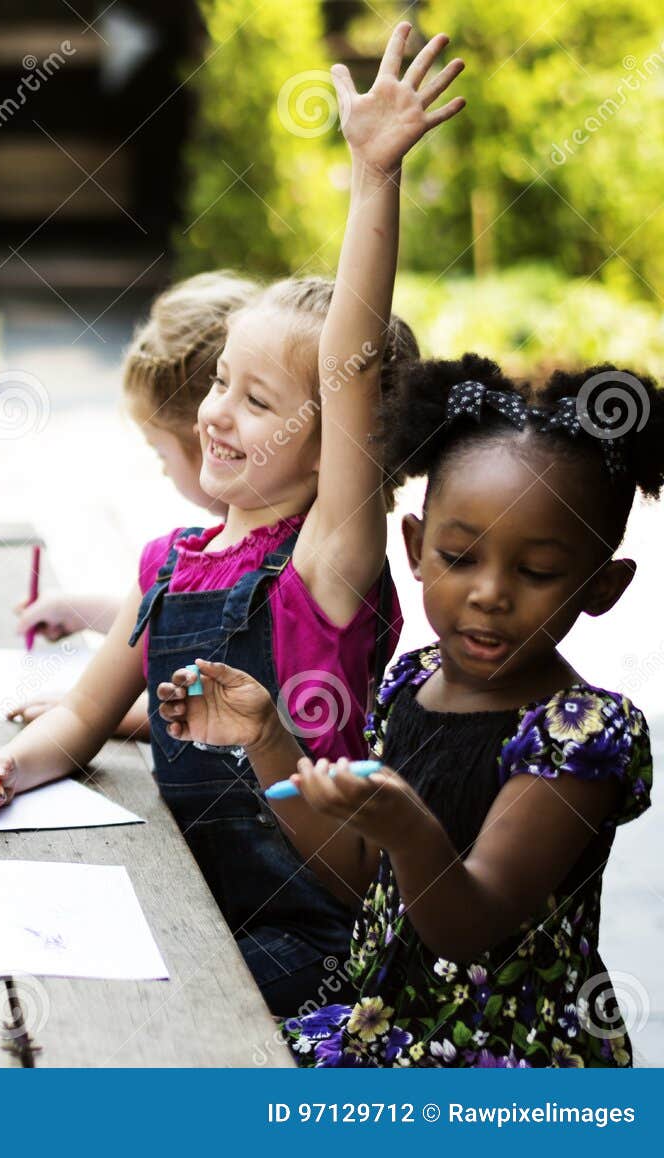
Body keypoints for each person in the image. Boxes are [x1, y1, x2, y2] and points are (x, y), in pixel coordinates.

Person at [0, 22, 460, 1016]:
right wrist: (7, 767)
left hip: (315, 940)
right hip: (202, 904)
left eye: (261, 402)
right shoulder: (169, 562)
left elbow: (352, 368)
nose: (218, 412)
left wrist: (373, 179)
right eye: (221, 383)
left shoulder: (324, 565)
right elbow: (80, 719)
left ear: (335, 447)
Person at [157, 356, 661, 1066]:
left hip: (504, 1064)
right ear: (418, 548)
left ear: (602, 586)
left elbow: (469, 924)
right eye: (461, 556)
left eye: (537, 572)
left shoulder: (580, 738)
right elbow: (360, 876)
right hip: (387, 1027)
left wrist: (412, 832)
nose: (490, 593)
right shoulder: (412, 681)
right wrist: (268, 736)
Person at [12, 271, 257, 739]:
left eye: (160, 451)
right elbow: (178, 622)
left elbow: (221, 702)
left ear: (210, 438)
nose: (162, 469)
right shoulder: (225, 541)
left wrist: (98, 713)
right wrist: (86, 613)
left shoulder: (277, 559)